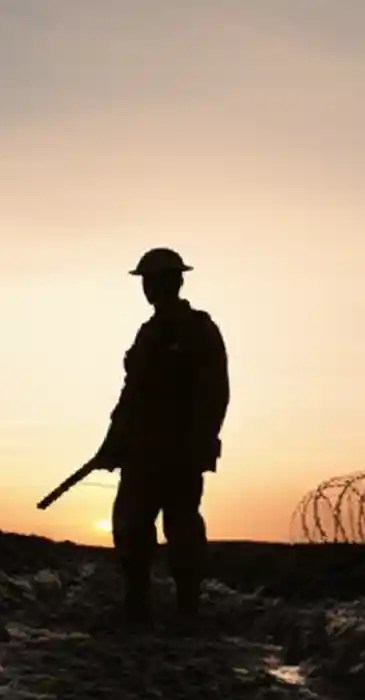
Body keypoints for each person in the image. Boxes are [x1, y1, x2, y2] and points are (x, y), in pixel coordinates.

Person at [91, 247, 229, 625]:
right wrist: (112, 443)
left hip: (179, 451)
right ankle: (139, 605)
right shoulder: (148, 334)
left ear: (176, 282)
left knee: (181, 527)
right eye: (149, 282)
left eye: (158, 280)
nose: (152, 288)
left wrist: (201, 441)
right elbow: (130, 395)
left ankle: (187, 608)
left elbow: (216, 392)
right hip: (141, 452)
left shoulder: (199, 329)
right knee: (131, 525)